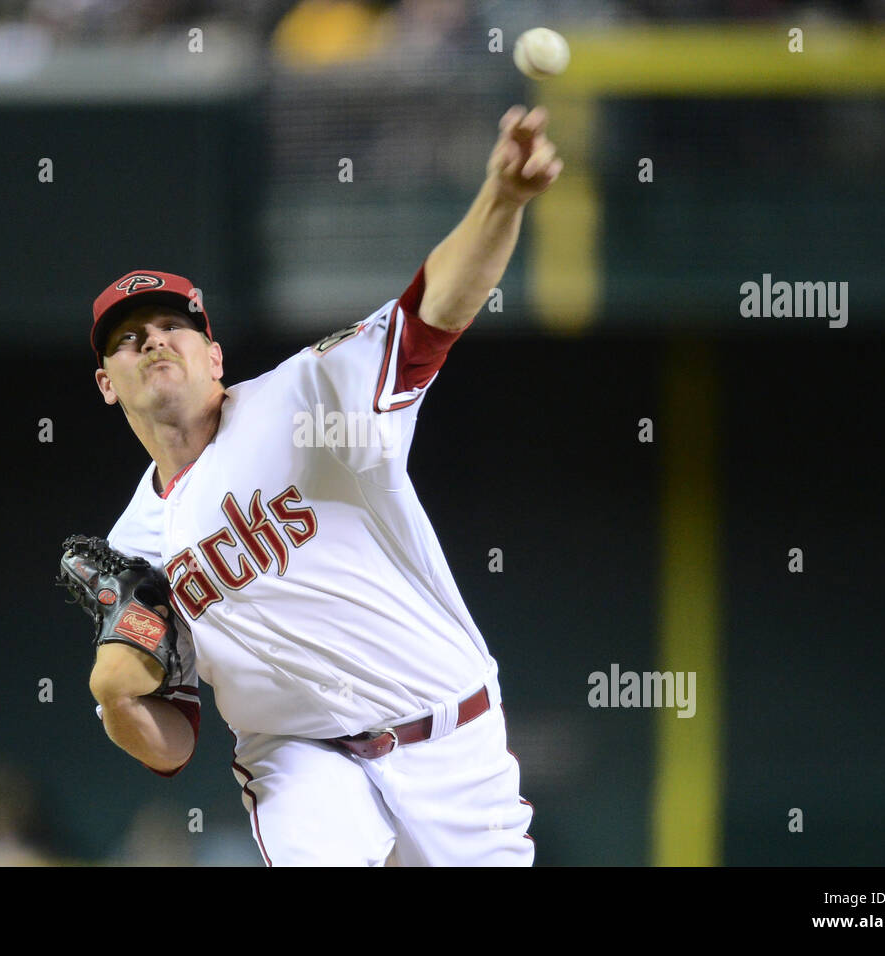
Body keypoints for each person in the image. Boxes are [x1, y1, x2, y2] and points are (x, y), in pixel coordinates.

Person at [85, 105, 562, 866]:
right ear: (108, 384)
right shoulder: (131, 544)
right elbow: (172, 744)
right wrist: (116, 702)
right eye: (128, 340)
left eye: (171, 327)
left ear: (212, 354)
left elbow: (432, 312)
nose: (152, 343)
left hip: (447, 732)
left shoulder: (306, 394)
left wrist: (501, 197)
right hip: (300, 757)